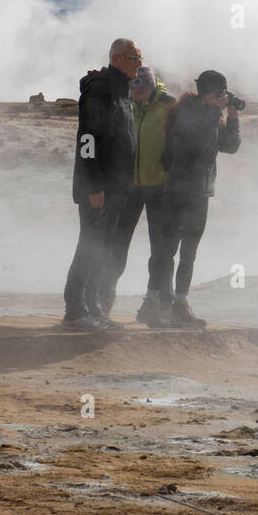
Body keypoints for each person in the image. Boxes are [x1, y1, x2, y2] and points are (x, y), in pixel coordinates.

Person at [63, 38, 140, 331]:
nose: (139, 64)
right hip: (99, 187)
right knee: (90, 245)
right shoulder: (100, 89)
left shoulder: (122, 90)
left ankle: (93, 305)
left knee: (105, 247)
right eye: (134, 58)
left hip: (118, 186)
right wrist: (93, 185)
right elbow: (88, 139)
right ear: (117, 58)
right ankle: (75, 308)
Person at [96, 66, 177, 328]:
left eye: (142, 91)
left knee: (162, 250)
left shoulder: (169, 108)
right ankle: (102, 302)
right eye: (134, 90)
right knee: (116, 245)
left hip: (161, 187)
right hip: (128, 186)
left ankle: (155, 305)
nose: (137, 95)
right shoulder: (125, 105)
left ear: (153, 88)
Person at [161, 69, 241, 327]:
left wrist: (233, 116)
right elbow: (193, 141)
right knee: (170, 249)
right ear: (213, 92)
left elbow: (230, 146)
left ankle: (180, 305)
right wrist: (214, 111)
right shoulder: (188, 110)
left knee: (189, 252)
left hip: (200, 191)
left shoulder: (211, 114)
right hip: (179, 189)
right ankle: (162, 304)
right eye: (221, 93)